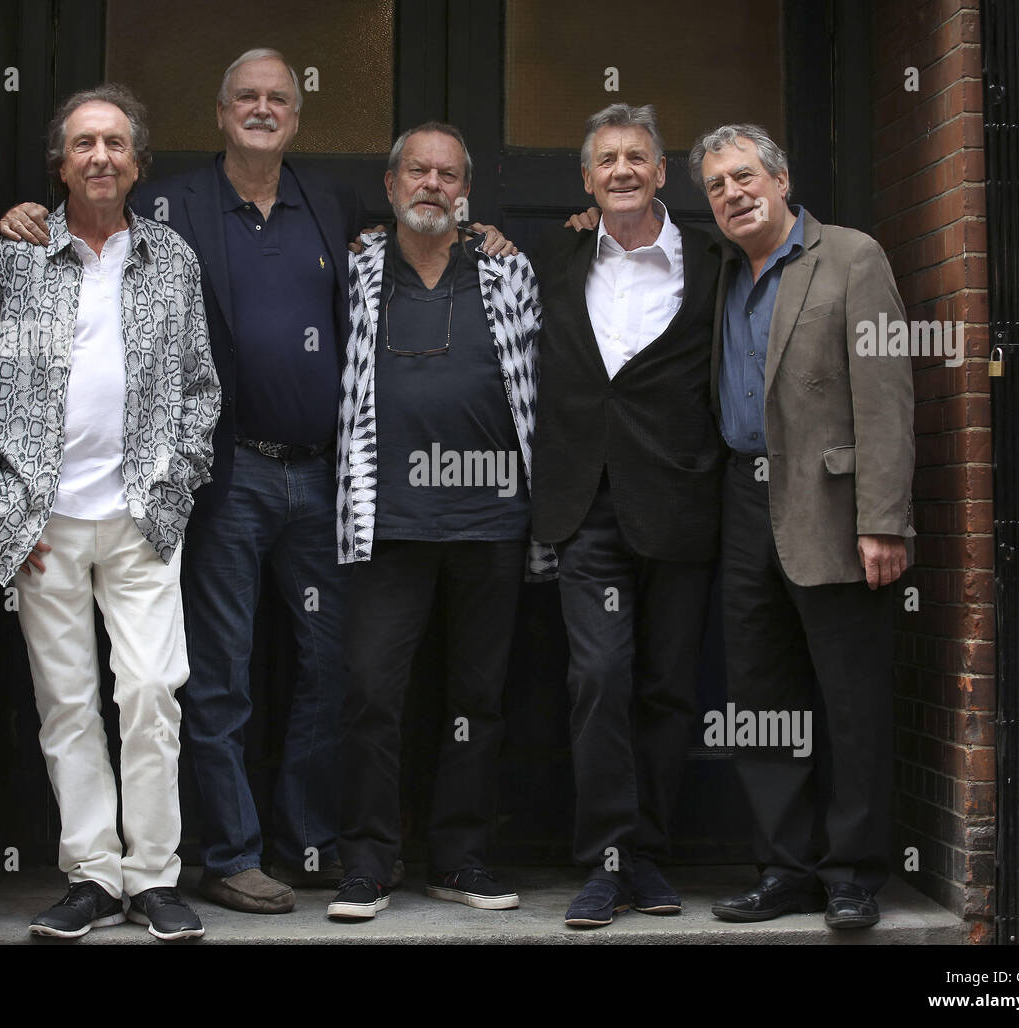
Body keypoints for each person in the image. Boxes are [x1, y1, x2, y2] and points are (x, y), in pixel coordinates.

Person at [0, 49, 515, 913]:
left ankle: (306, 841)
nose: (264, 108)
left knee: (330, 669)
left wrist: (481, 230)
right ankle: (231, 854)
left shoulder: (330, 203)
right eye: (247, 96)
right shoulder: (171, 209)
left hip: (324, 477)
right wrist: (30, 215)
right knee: (216, 675)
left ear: (298, 115)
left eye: (279, 97)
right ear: (220, 111)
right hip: (226, 476)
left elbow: (416, 231)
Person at [0, 83, 219, 940]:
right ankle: (91, 875)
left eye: (115, 143)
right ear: (60, 162)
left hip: (144, 516)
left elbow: (199, 391)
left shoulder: (173, 260)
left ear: (138, 162)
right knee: (67, 702)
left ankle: (153, 877)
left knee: (151, 691)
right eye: (84, 144)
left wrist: (174, 489)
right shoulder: (16, 261)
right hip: (46, 520)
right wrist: (9, 506)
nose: (100, 157)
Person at [326, 123, 553, 921]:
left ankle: (460, 857)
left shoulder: (506, 268)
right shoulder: (353, 268)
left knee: (477, 698)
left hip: (492, 521)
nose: (432, 184)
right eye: (416, 171)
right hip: (384, 519)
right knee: (371, 692)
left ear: (466, 192)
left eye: (447, 174)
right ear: (390, 187)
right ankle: (367, 862)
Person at [693, 123, 914, 929]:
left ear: (781, 179)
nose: (733, 194)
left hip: (835, 510)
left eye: (745, 176)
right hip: (743, 502)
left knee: (850, 700)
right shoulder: (719, 269)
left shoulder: (851, 256)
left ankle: (852, 873)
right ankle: (783, 868)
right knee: (762, 699)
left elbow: (887, 396)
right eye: (717, 186)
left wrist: (883, 518)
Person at [530, 103, 724, 927]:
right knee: (599, 679)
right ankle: (605, 861)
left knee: (670, 689)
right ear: (586, 178)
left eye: (635, 157)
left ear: (661, 170)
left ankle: (648, 854)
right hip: (586, 506)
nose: (620, 171)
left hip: (681, 502)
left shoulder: (715, 263)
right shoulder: (554, 252)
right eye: (605, 159)